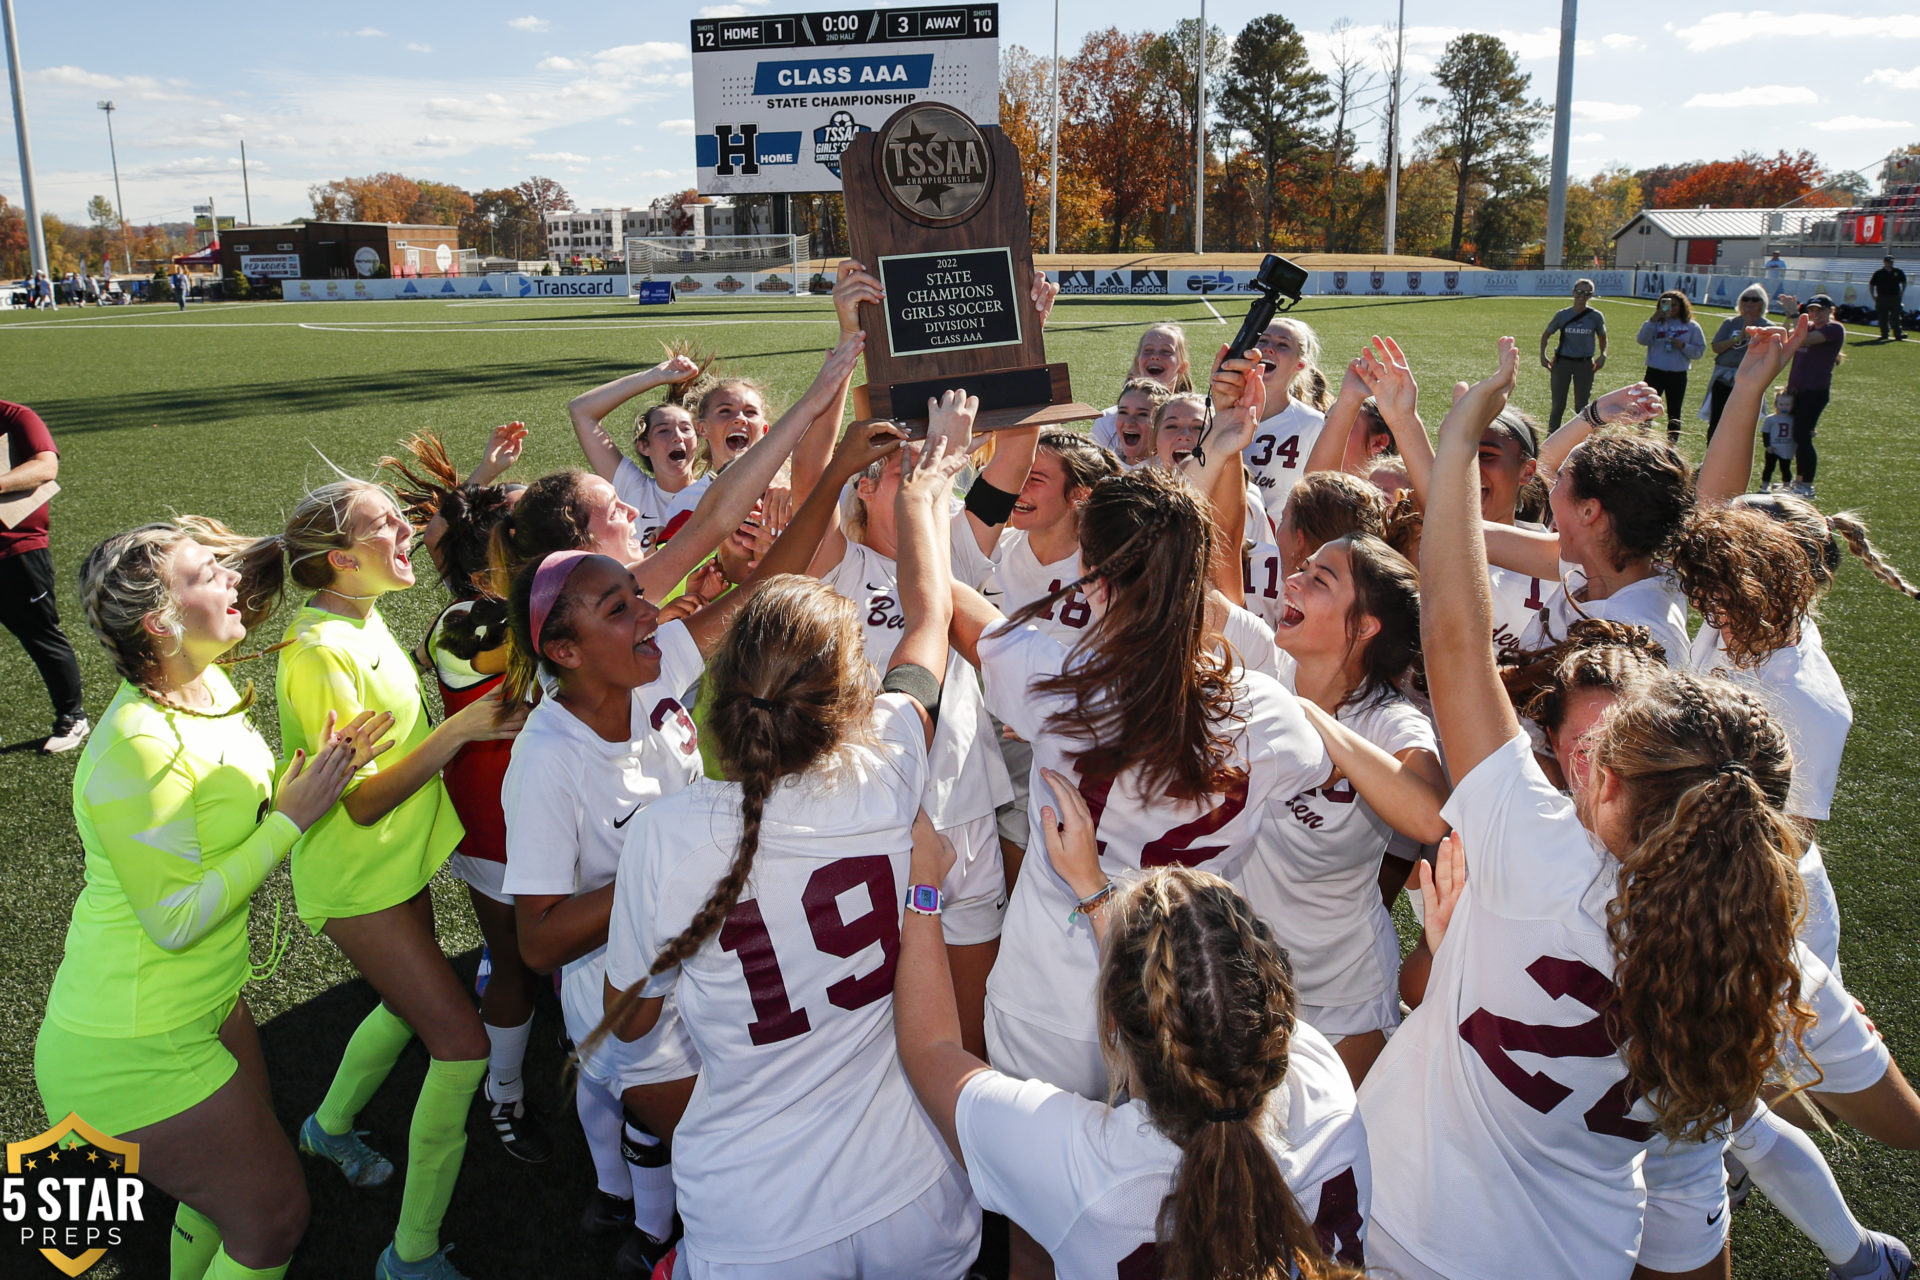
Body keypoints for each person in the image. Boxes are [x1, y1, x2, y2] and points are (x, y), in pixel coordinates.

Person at [1360, 336, 1811, 1280]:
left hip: (1415, 1228)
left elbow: (1452, 634)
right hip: (1583, 1251)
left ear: (1605, 775)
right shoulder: (1746, 933)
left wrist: (1457, 435)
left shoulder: (1533, 850)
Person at [589, 404, 984, 1279]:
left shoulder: (667, 836)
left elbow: (631, 1020)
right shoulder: (887, 767)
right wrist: (926, 497)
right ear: (849, 697)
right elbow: (927, 625)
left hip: (759, 1207)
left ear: (725, 687)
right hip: (913, 1185)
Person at [38, 520, 382, 1280]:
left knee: (224, 1203)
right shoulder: (137, 745)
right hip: (130, 1042)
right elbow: (172, 921)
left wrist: (305, 785)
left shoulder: (211, 685)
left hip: (207, 1003)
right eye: (206, 574)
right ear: (160, 622)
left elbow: (219, 825)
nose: (233, 580)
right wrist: (291, 820)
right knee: (275, 1219)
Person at [895, 802, 1371, 1279]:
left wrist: (924, 890)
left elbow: (929, 1052)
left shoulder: (1089, 1173)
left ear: (1111, 1026)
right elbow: (1204, 1018)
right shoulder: (1323, 1081)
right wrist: (1096, 894)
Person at [259, 479, 526, 1280]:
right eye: (386, 524)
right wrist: (462, 729)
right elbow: (361, 799)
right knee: (463, 1045)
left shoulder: (360, 616)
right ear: (343, 558)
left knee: (405, 1008)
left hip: (394, 863)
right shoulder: (319, 654)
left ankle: (329, 1128)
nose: (408, 531)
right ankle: (410, 1255)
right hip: (358, 876)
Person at [380, 431, 552, 1165]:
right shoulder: (474, 623)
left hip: (556, 810)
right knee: (516, 966)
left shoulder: (502, 603)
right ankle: (505, 1092)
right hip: (498, 822)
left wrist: (480, 479)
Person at [1237, 533, 1449, 1083]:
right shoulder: (1260, 668)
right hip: (1238, 971)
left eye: (1319, 579)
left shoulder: (1389, 721)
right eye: (1302, 568)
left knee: (1338, 1140)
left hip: (1341, 990)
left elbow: (1431, 817)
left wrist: (1310, 718)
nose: (1292, 580)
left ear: (1364, 627)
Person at [0, 400, 89, 752]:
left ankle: (72, 717)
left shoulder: (15, 417)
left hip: (16, 549)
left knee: (40, 635)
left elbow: (44, 467)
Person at [568, 351, 708, 551]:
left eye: (686, 429)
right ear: (644, 446)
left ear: (698, 440)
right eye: (663, 430)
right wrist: (654, 376)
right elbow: (580, 410)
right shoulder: (632, 488)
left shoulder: (713, 492)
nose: (677, 436)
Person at [1242, 318, 1328, 535]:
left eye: (1282, 344)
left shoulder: (1313, 423)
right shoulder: (1218, 411)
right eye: (1263, 340)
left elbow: (1318, 496)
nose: (1269, 348)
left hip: (1279, 542)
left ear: (1300, 364)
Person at [1777, 293, 1845, 499]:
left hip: (1814, 391)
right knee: (1795, 436)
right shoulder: (1809, 327)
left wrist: (1794, 315)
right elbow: (1785, 340)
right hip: (1797, 390)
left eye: (1820, 310)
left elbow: (1803, 339)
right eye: (1812, 310)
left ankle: (1806, 484)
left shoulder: (1834, 329)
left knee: (1802, 436)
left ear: (1830, 311)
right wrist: (1789, 317)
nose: (1816, 314)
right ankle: (1795, 481)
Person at [1635, 290, 1706, 443]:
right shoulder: (1655, 323)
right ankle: (1642, 440)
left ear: (1682, 306)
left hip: (1677, 374)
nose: (1671, 308)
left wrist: (1683, 346)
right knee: (1647, 407)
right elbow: (1642, 340)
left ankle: (1671, 444)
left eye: (1675, 305)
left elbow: (1699, 351)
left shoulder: (1691, 326)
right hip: (1654, 372)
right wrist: (1653, 320)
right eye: (1666, 304)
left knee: (1674, 411)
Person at [1539, 278, 1608, 430]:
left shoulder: (1596, 316)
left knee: (1582, 406)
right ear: (1573, 292)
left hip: (1584, 364)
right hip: (1562, 363)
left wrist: (1603, 354)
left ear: (1591, 295)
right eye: (1579, 291)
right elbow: (1546, 335)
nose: (1582, 296)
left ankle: (1581, 437)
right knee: (1558, 405)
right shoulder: (1562, 315)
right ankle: (1552, 436)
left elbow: (1603, 338)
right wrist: (1543, 355)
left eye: (1587, 293)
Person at [1704, 284, 1770, 436]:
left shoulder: (1766, 326)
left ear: (1762, 303)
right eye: (1745, 299)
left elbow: (1769, 355)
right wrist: (1737, 338)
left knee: (1741, 423)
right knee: (1717, 420)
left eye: (1754, 299)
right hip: (1723, 379)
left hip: (1749, 380)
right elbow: (1716, 347)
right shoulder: (1730, 322)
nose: (1749, 303)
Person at [1760, 388, 1796, 491]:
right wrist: (1767, 446)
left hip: (1787, 449)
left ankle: (1786, 485)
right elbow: (1765, 433)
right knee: (1769, 468)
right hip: (1773, 449)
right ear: (1776, 404)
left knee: (1785, 468)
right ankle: (1765, 485)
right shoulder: (1770, 419)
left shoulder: (1793, 419)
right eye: (1781, 404)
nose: (1784, 407)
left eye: (1787, 405)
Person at [1870, 255, 1907, 341]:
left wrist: (1902, 292)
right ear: (1884, 262)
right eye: (1888, 261)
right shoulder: (1879, 273)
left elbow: (1904, 282)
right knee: (1883, 317)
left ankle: (1898, 334)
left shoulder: (1898, 272)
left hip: (1894, 297)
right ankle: (1884, 334)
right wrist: (1873, 295)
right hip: (1882, 297)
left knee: (1896, 317)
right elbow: (1872, 285)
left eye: (1891, 262)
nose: (1890, 263)